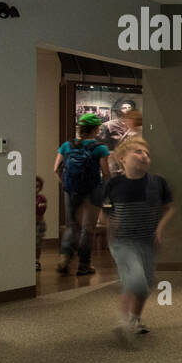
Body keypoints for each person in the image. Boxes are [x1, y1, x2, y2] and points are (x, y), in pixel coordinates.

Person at [102, 138, 175, 340]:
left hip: (147, 241)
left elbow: (169, 209)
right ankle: (123, 320)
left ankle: (135, 318)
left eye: (147, 153)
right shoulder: (113, 184)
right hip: (122, 241)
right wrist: (110, 221)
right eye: (138, 151)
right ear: (122, 159)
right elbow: (106, 212)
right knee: (136, 280)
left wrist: (160, 229)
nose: (144, 156)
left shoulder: (157, 182)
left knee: (146, 283)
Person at [54, 114, 112, 275]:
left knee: (72, 225)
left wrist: (66, 185)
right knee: (88, 228)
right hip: (93, 191)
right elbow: (106, 173)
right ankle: (84, 264)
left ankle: (64, 259)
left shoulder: (67, 146)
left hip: (71, 190)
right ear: (95, 129)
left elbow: (56, 168)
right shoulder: (100, 148)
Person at [35, 176, 47, 271]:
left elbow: (41, 211)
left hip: (39, 224)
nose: (35, 189)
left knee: (37, 244)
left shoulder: (41, 199)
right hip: (29, 225)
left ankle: (36, 261)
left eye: (37, 186)